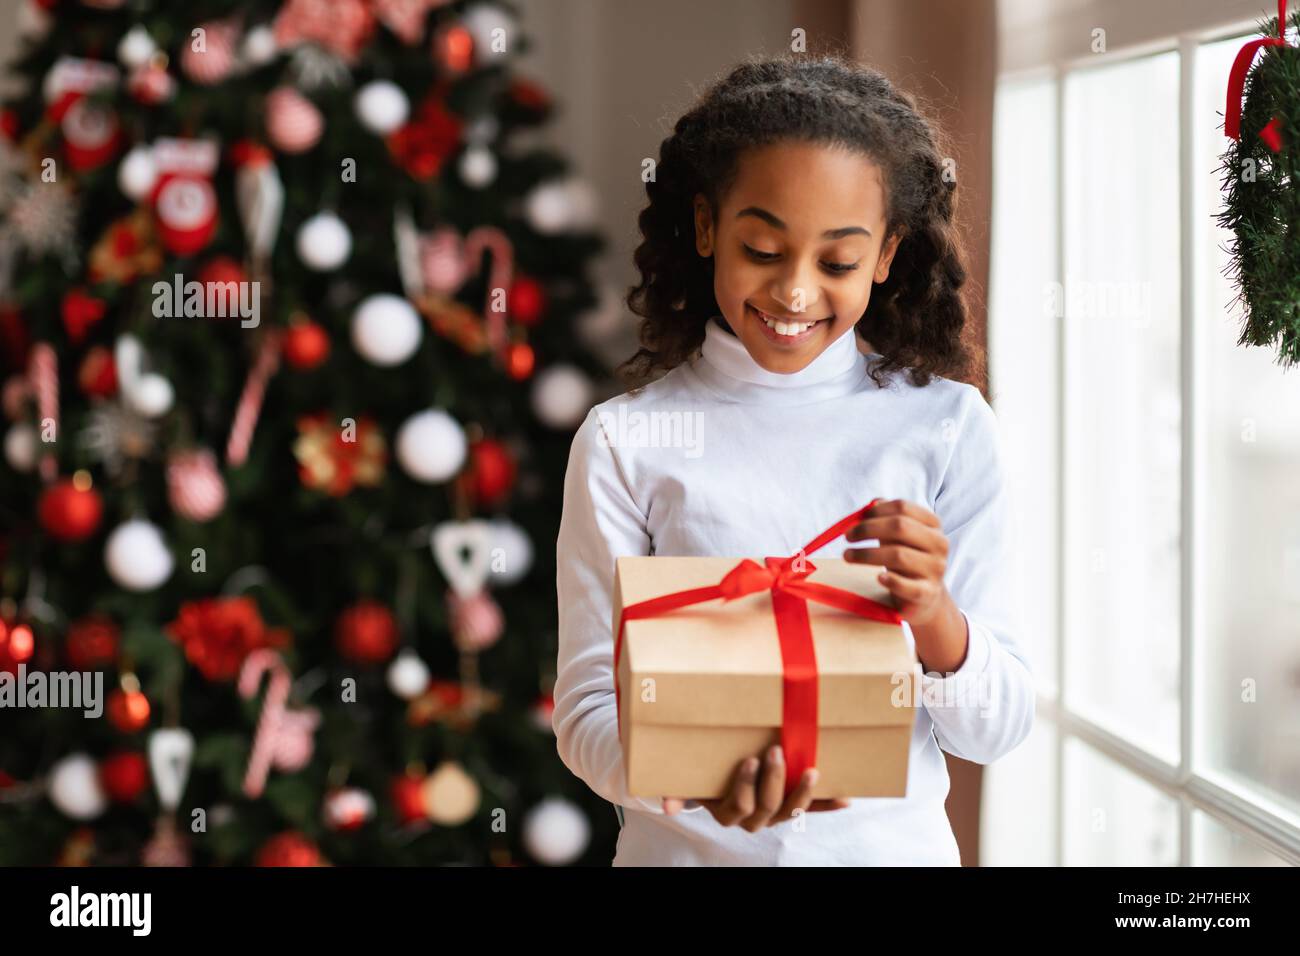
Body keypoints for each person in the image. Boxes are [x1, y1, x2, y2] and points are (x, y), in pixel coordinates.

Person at [553, 54, 1034, 865]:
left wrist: (937, 622)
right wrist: (690, 772)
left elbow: (997, 728)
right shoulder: (624, 442)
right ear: (707, 228)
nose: (795, 293)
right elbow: (587, 711)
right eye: (764, 249)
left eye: (837, 262)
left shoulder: (947, 427)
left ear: (887, 255)